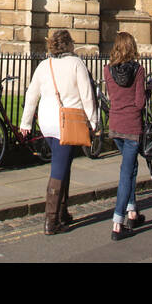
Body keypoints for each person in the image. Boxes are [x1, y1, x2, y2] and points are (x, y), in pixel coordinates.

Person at [20, 29, 98, 235]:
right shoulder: (76, 64)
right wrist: (94, 122)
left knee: (65, 164)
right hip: (68, 122)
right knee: (59, 168)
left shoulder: (44, 65)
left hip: (47, 123)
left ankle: (63, 212)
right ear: (69, 45)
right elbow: (87, 95)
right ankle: (51, 221)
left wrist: (26, 122)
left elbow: (31, 95)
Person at [104, 31, 146, 242]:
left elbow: (114, 96)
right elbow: (139, 103)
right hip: (131, 126)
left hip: (115, 126)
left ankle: (132, 212)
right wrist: (146, 92)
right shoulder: (138, 70)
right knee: (126, 174)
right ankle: (118, 223)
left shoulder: (107, 70)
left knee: (131, 168)